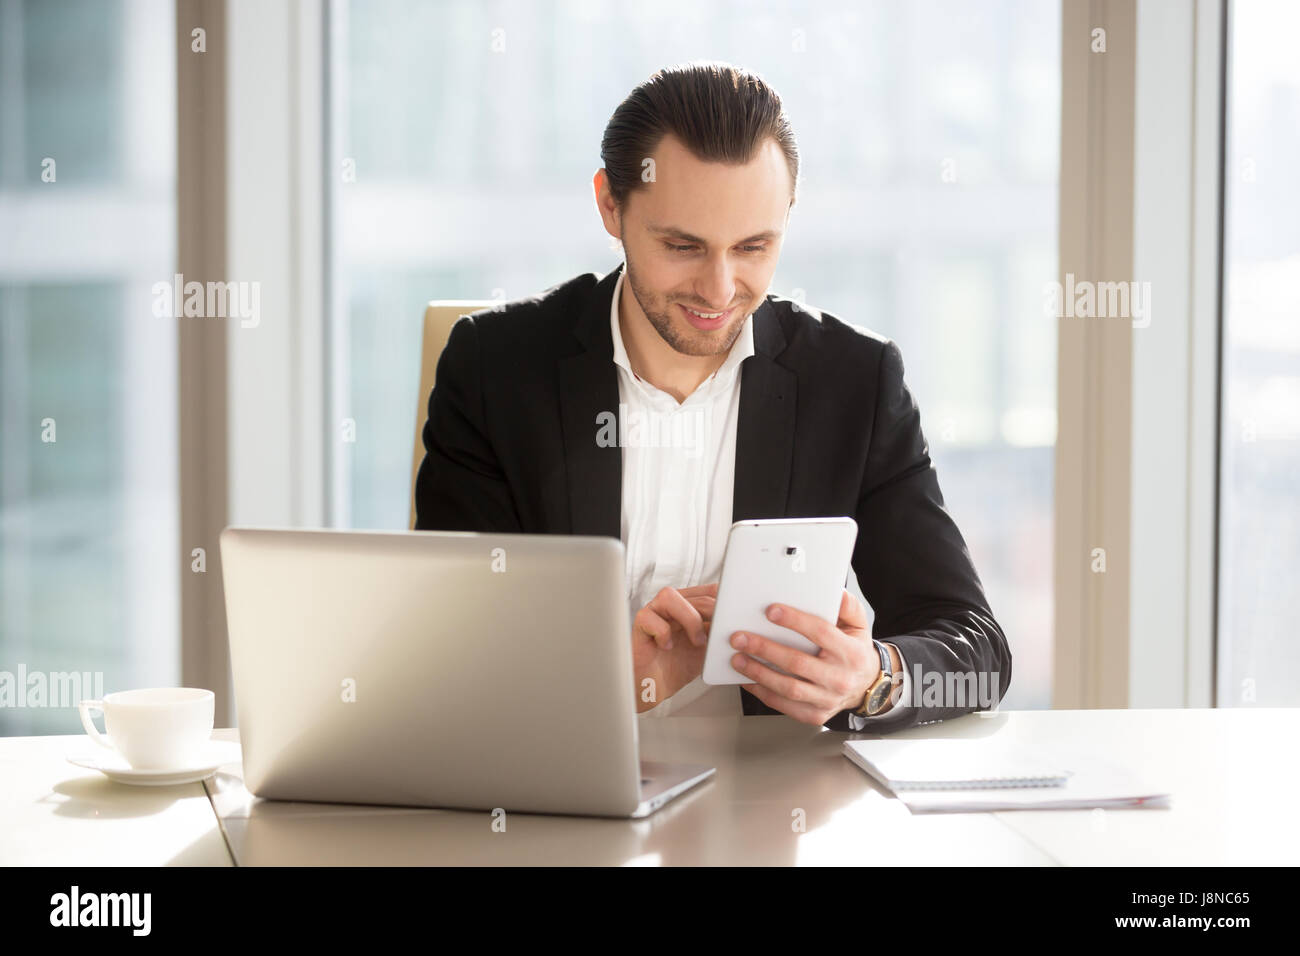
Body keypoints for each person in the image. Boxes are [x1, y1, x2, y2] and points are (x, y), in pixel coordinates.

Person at [415, 61, 1011, 732]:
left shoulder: (854, 381)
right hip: (556, 790)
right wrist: (615, 685)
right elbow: (449, 658)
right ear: (611, 205)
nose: (720, 289)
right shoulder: (495, 370)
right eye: (682, 246)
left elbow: (978, 652)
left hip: (779, 804)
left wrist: (871, 679)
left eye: (754, 246)